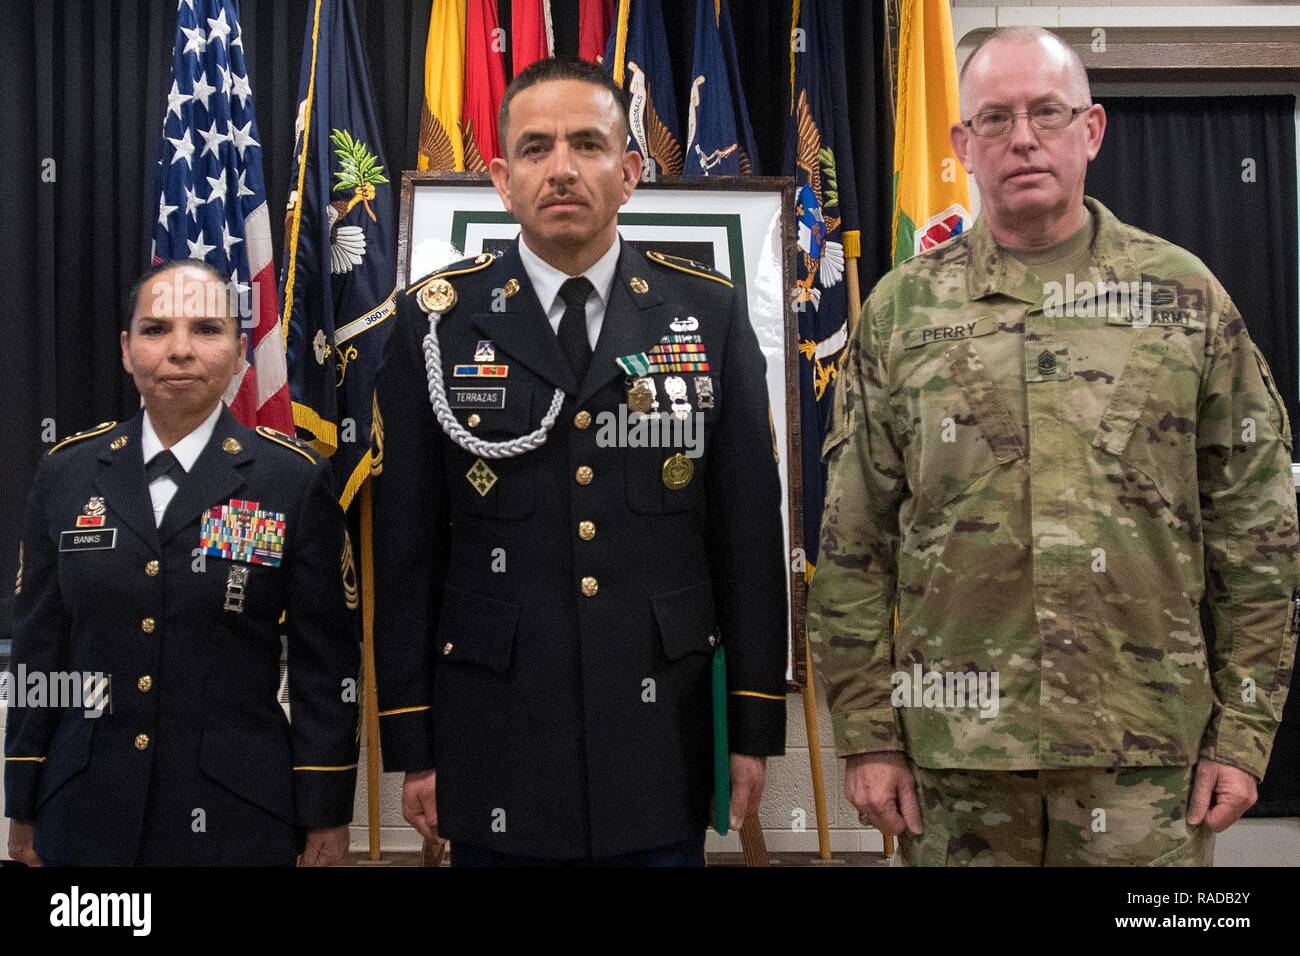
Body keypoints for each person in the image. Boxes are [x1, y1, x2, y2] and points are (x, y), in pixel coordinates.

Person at [809, 26, 1299, 866]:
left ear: (1092, 129)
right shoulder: (900, 313)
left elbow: (1260, 537)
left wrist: (1244, 733)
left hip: (1146, 757)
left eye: (1047, 112)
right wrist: (866, 735)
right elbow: (854, 544)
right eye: (995, 120)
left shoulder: (1184, 297)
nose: (1024, 138)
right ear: (962, 144)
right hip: (956, 763)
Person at [371, 56, 787, 865]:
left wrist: (751, 726)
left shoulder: (707, 311)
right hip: (494, 730)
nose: (560, 169)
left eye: (587, 144)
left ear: (630, 171)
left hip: (662, 734)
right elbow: (407, 549)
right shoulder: (435, 325)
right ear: (500, 176)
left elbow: (746, 539)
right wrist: (411, 741)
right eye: (534, 148)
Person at [4, 259, 360, 866]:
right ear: (126, 349)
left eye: (205, 329)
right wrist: (23, 795)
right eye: (155, 329)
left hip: (238, 814)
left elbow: (324, 666)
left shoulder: (290, 481)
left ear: (240, 350)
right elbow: (41, 652)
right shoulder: (65, 475)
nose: (179, 351)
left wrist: (326, 807)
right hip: (86, 807)